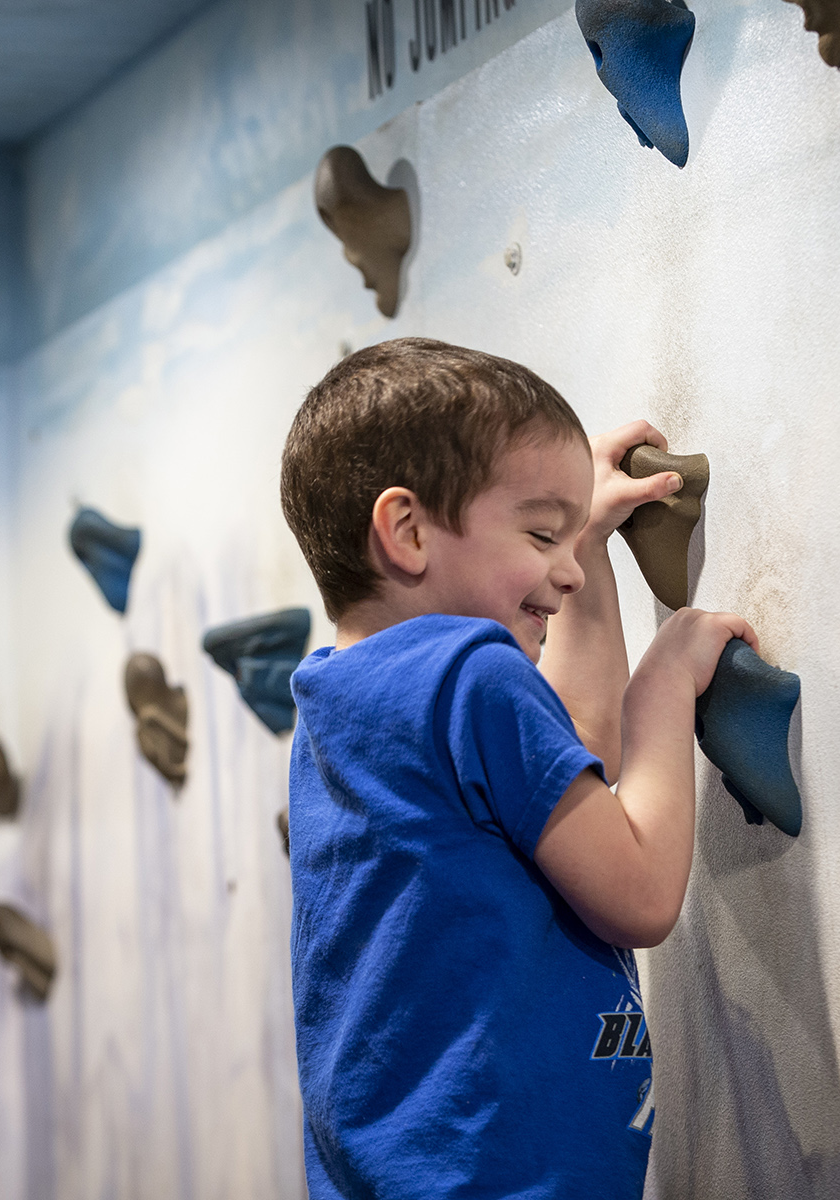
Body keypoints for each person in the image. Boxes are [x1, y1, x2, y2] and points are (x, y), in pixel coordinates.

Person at [279, 337, 755, 1198]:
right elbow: (641, 892)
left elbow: (568, 750)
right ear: (409, 531)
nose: (564, 572)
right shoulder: (470, 674)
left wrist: (589, 544)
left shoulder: (350, 702)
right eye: (541, 533)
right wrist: (665, 691)